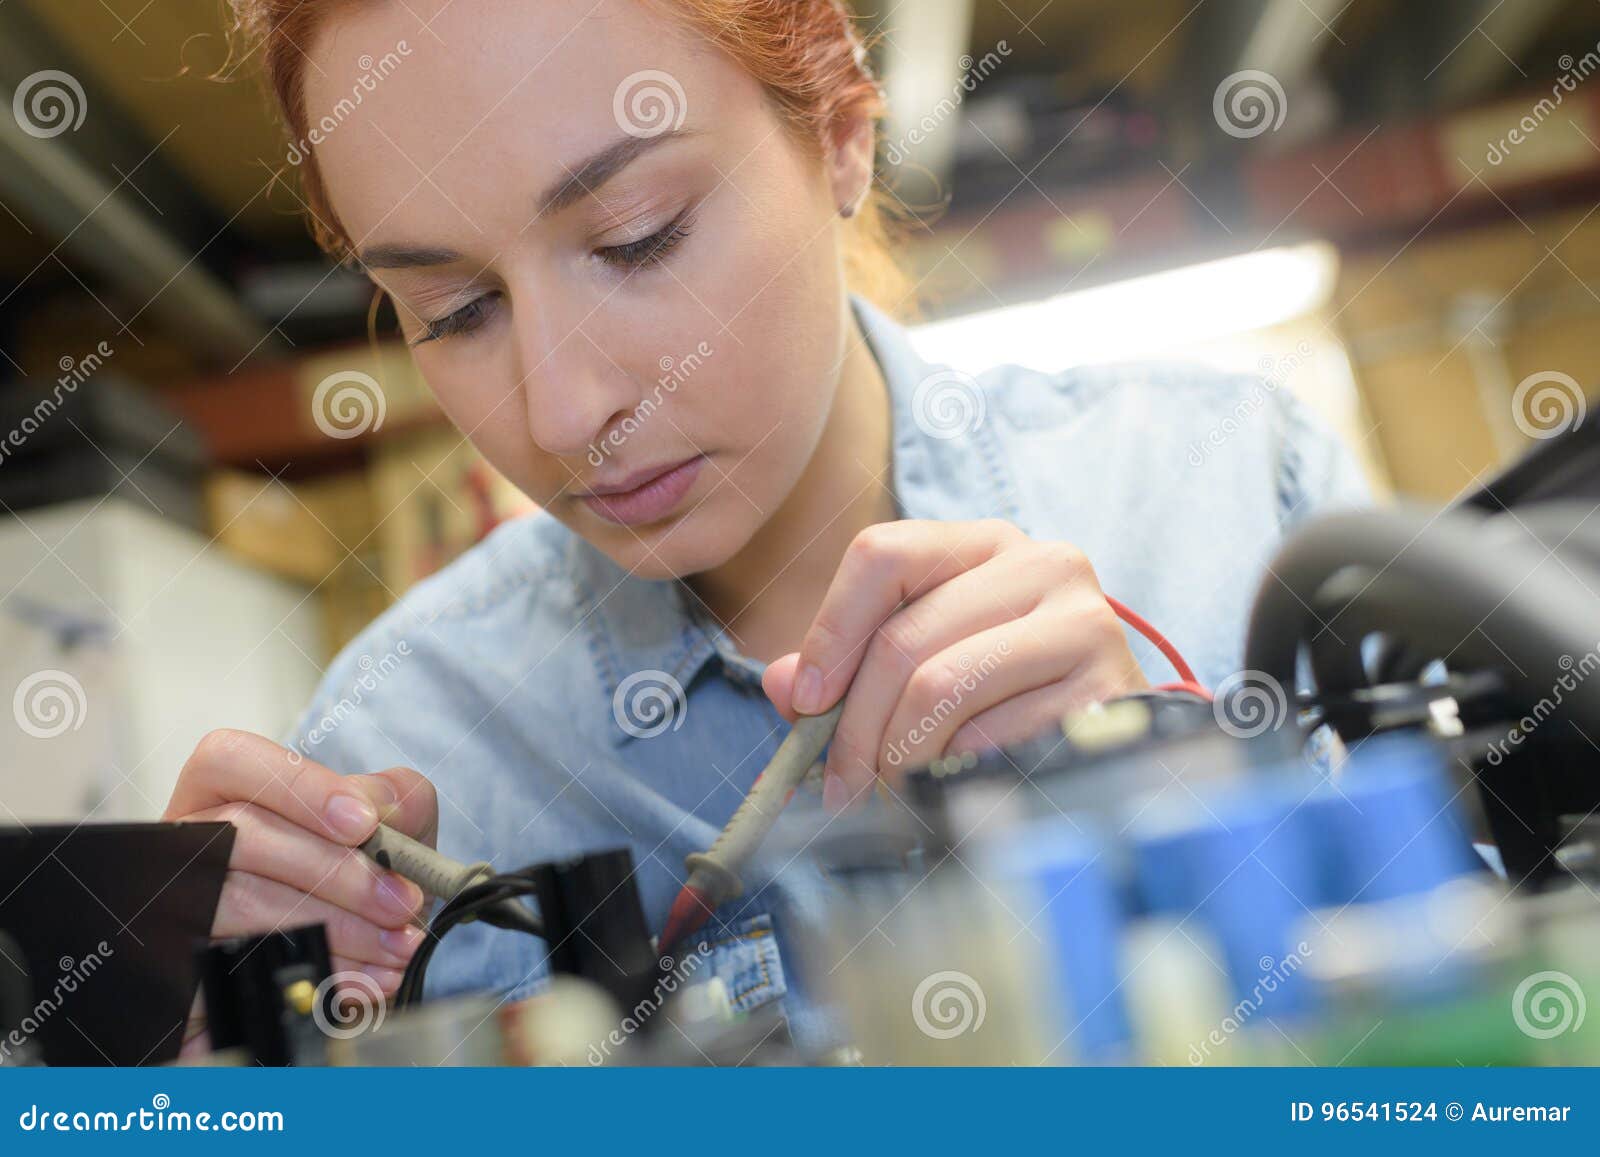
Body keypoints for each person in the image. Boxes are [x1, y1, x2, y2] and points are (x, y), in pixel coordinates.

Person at [165, 0, 1369, 1052]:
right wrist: (210, 1078)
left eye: (639, 238)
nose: (565, 406)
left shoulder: (1233, 494)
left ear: (842, 129)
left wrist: (1169, 811)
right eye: (454, 309)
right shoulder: (400, 737)